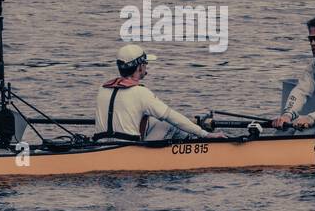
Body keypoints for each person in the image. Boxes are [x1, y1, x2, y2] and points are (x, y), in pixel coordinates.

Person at [94, 45, 224, 142]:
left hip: (99, 144)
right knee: (170, 125)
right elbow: (173, 117)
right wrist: (205, 134)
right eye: (145, 63)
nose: (146, 67)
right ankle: (202, 145)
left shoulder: (102, 89)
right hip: (128, 150)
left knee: (152, 119)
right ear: (139, 67)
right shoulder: (141, 92)